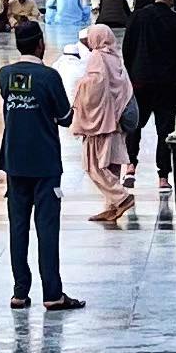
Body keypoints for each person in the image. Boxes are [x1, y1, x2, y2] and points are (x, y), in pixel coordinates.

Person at [0, 15, 83, 313]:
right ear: (41, 44)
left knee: (17, 228)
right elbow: (66, 118)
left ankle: (20, 292)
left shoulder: (5, 75)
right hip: (45, 164)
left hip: (15, 162)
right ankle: (53, 293)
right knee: (47, 229)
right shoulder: (49, 78)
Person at [122, 0, 176, 200]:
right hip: (167, 83)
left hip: (140, 81)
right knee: (164, 130)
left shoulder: (138, 16)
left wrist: (133, 72)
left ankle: (130, 165)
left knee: (135, 125)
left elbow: (127, 47)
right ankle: (163, 176)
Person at [70, 14, 136, 224]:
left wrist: (79, 84)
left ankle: (122, 198)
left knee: (94, 166)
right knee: (112, 165)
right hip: (116, 118)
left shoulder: (98, 57)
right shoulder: (114, 56)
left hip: (102, 121)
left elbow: (96, 85)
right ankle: (111, 208)